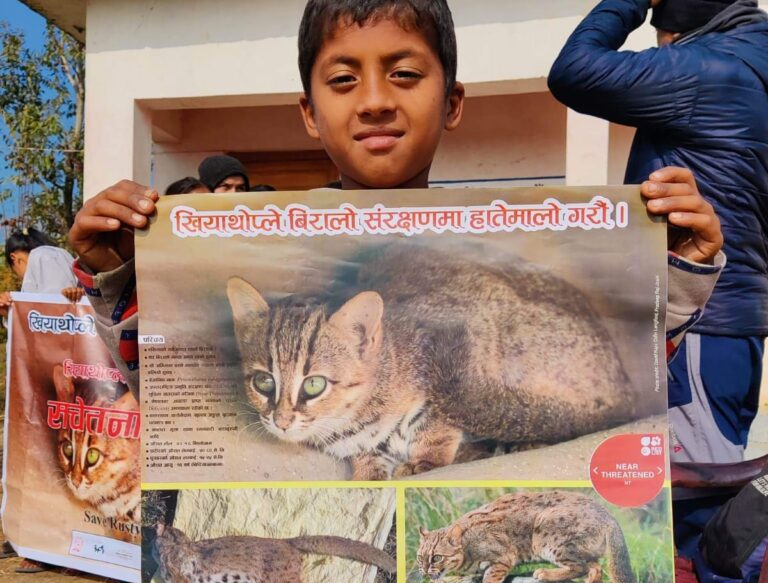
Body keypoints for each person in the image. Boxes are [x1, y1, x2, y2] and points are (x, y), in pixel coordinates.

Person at [69, 0, 724, 404]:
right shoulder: (258, 249)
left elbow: (622, 373)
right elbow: (169, 393)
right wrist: (120, 275)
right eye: (344, 79)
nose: (376, 99)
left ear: (452, 102)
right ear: (309, 112)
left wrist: (676, 275)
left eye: (405, 74)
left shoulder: (497, 248)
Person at [548, 0, 768, 469]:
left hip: (694, 317)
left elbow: (573, 70)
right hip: (735, 319)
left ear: (675, 32)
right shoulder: (756, 63)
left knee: (688, 493)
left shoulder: (707, 66)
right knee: (714, 476)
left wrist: (627, 3)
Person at [1, 228, 80, 573]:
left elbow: (45, 325)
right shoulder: (63, 259)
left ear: (18, 258)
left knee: (48, 462)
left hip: (49, 388)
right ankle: (38, 540)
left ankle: (48, 545)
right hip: (52, 386)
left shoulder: (45, 259)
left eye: (17, 265)